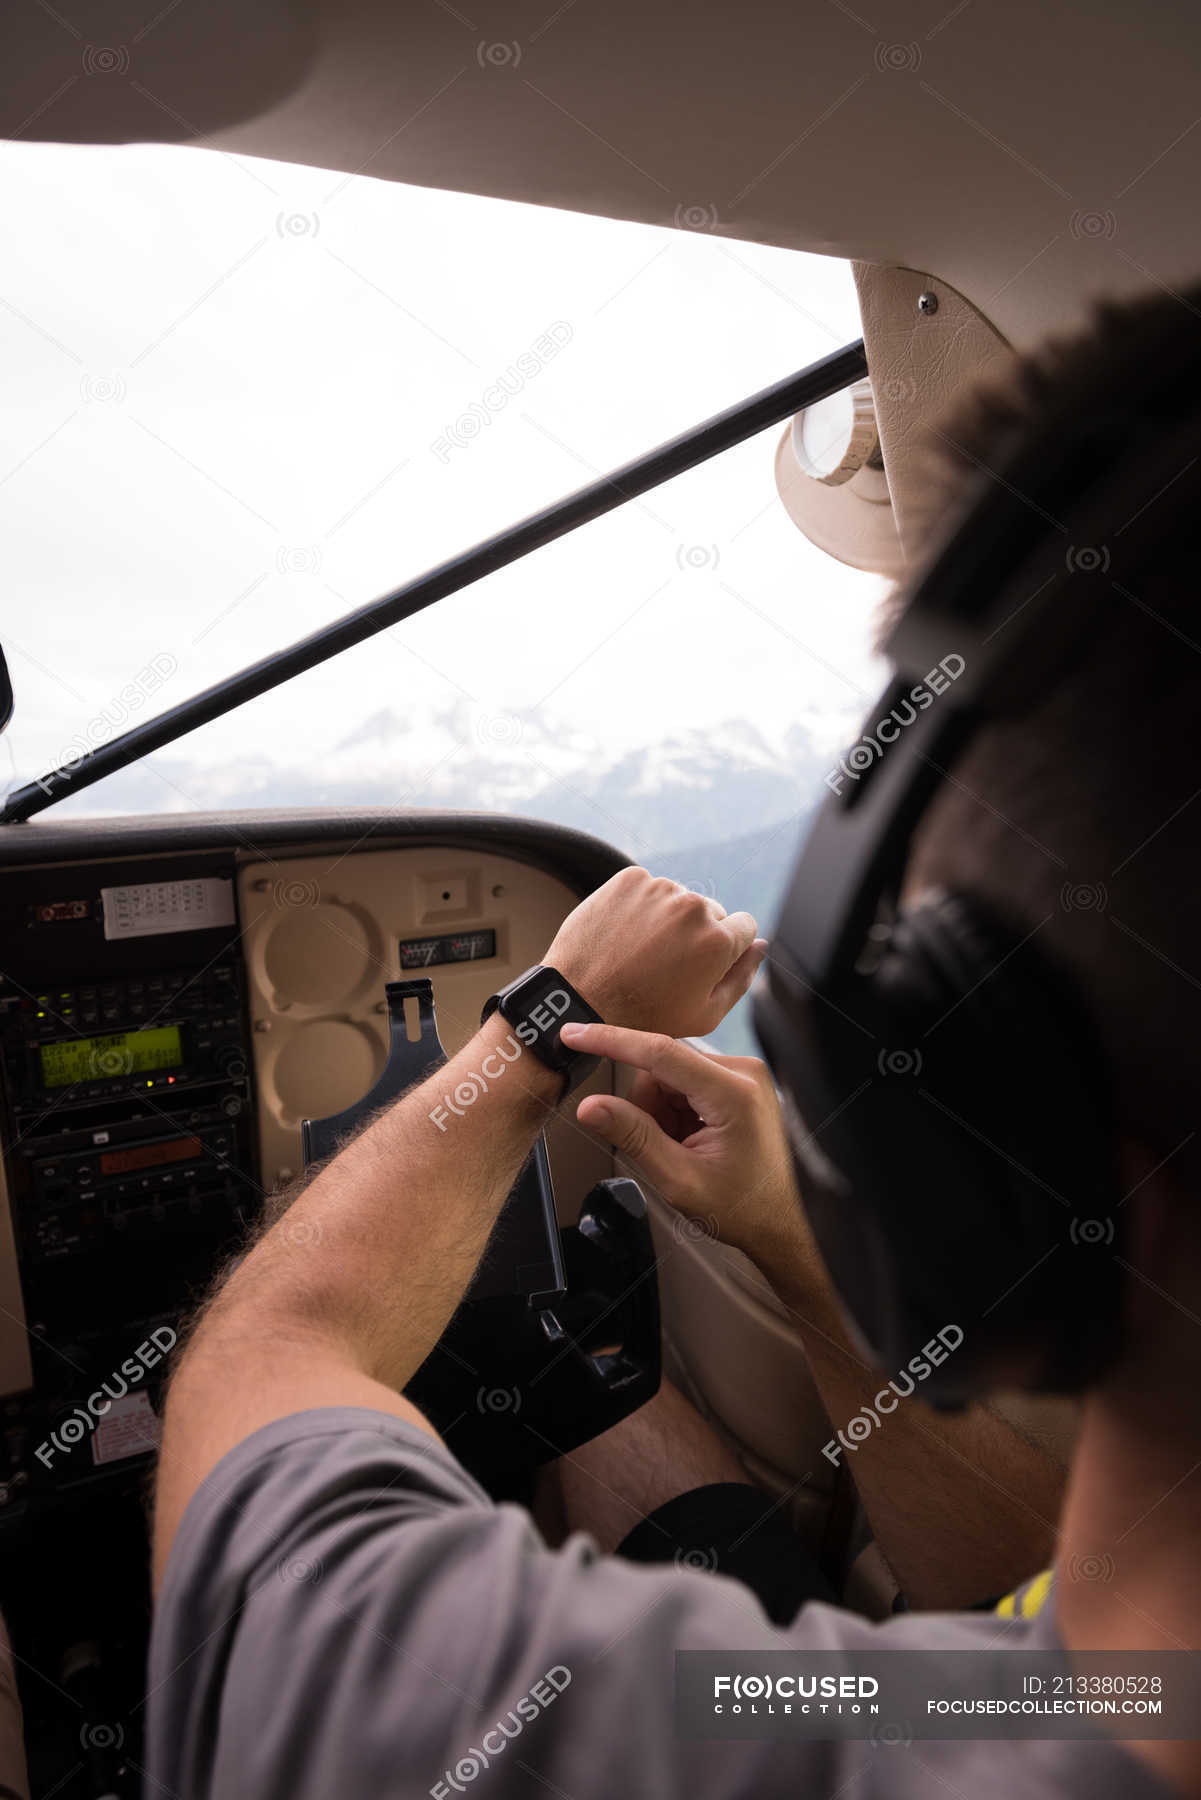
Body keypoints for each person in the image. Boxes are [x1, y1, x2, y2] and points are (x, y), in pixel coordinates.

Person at [147, 287, 1201, 1799]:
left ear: (997, 1186)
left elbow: (265, 1361)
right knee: (619, 1418)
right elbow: (1013, 1613)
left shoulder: (467, 1717)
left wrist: (541, 1024)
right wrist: (788, 1241)